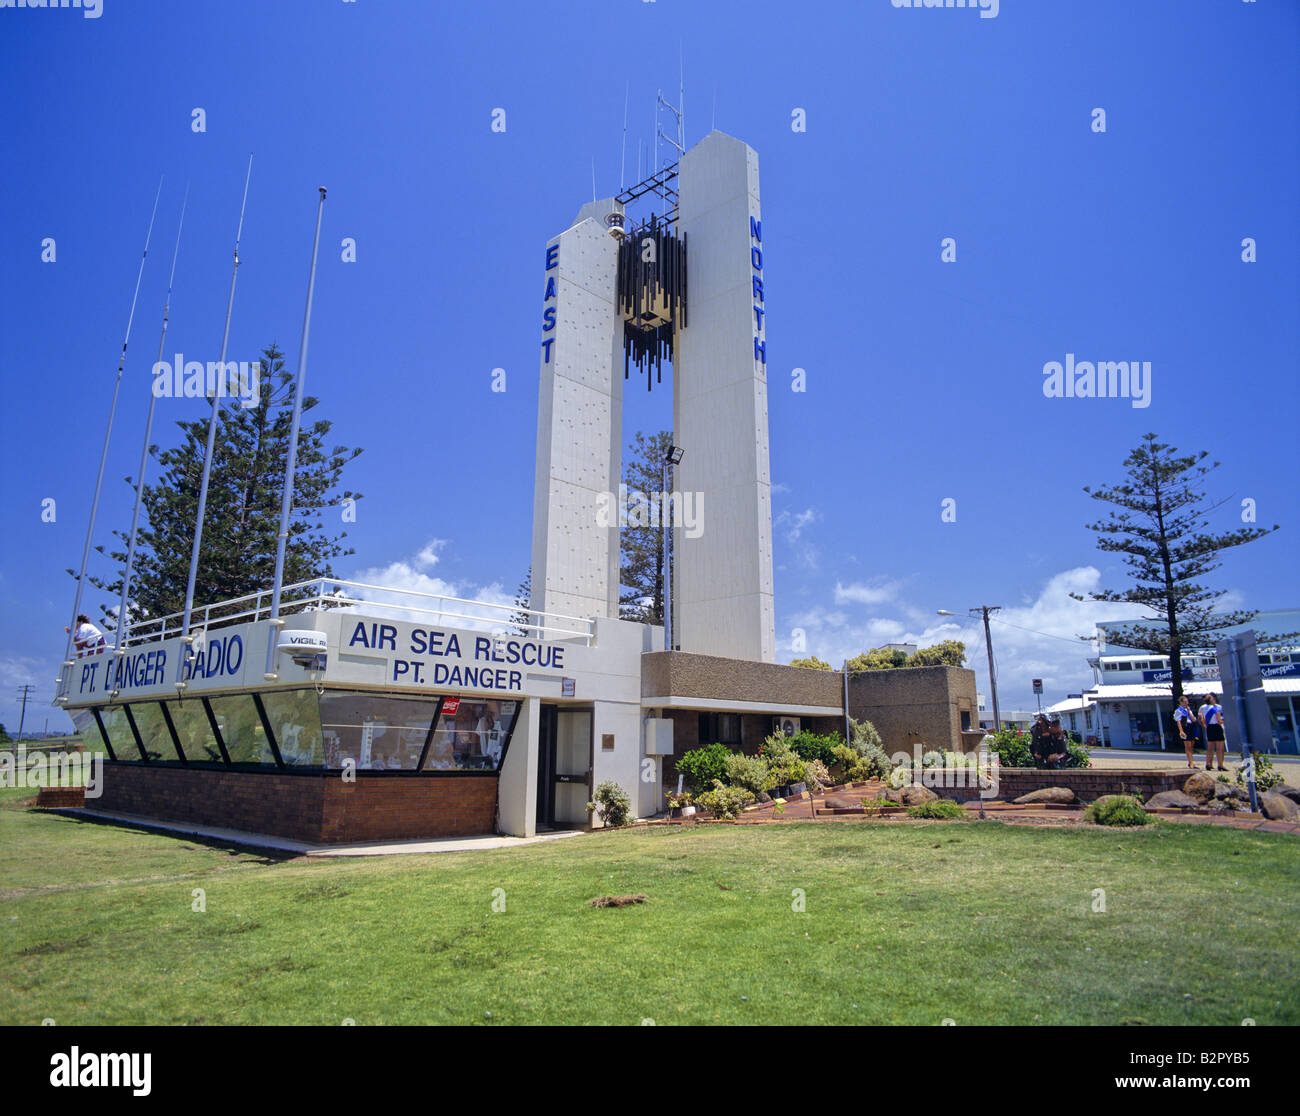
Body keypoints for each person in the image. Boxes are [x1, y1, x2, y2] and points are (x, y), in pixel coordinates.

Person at [1201, 693, 1227, 772]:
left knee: (1210, 747)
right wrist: (1222, 721)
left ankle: (1208, 764)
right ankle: (1220, 765)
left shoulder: (1204, 708)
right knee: (1219, 748)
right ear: (1211, 700)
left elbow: (1203, 720)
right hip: (1216, 727)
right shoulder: (1215, 709)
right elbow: (1219, 721)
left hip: (1209, 728)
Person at [1172, 695, 1199, 769]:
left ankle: (1191, 761)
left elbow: (1193, 720)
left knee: (1192, 745)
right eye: (1184, 702)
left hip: (1191, 727)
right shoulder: (1179, 711)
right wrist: (1181, 731)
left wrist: (1189, 711)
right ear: (1180, 702)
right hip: (1185, 727)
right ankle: (1191, 763)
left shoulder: (1188, 710)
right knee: (1188, 746)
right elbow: (1178, 721)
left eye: (1187, 702)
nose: (1186, 703)